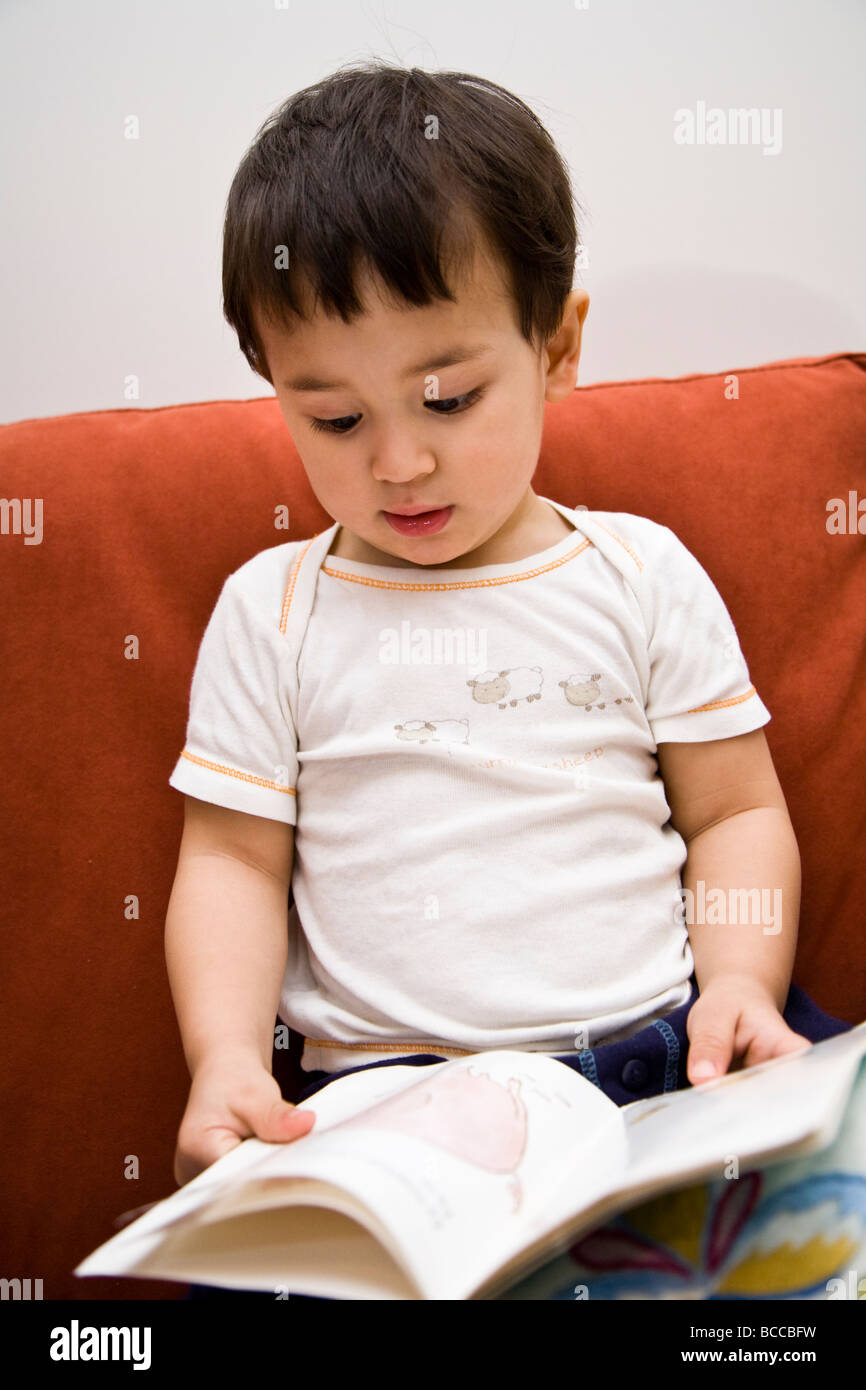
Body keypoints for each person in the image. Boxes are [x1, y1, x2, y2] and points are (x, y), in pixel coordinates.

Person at [165, 60, 852, 1301]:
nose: (399, 460)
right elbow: (228, 864)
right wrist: (224, 1061)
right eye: (330, 419)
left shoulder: (639, 575)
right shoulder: (271, 612)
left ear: (558, 346)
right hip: (384, 1108)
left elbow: (734, 813)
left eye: (447, 395)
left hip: (659, 1066)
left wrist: (742, 984)